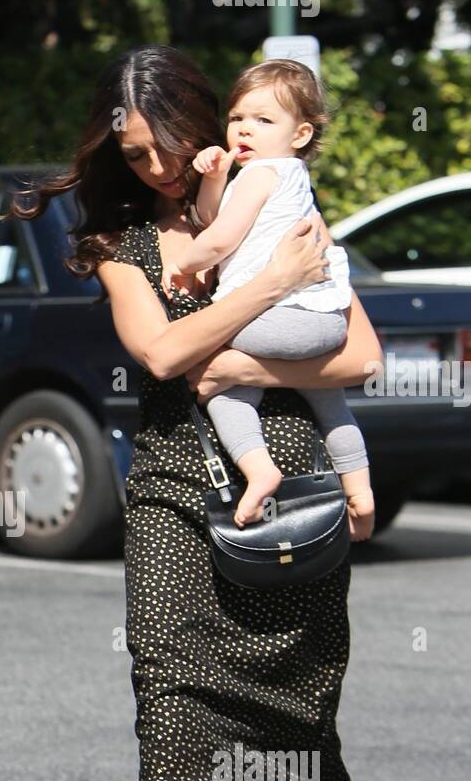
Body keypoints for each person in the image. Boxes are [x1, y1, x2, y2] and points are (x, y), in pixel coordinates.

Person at [14, 45, 395, 781]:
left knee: (292, 714)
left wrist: (235, 338)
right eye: (132, 156)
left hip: (295, 485)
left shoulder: (272, 197)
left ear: (202, 121)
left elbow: (356, 354)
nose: (155, 170)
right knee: (173, 718)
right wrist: (265, 290)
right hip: (177, 494)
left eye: (165, 147)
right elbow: (162, 357)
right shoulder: (117, 240)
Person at [160, 59, 373, 532]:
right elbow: (216, 213)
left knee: (219, 381)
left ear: (299, 135)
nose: (244, 130)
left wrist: (183, 263)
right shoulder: (293, 179)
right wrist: (215, 177)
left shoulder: (260, 176)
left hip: (280, 317)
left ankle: (259, 471)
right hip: (322, 318)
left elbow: (218, 237)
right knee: (328, 396)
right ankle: (359, 490)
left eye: (263, 120)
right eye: (236, 118)